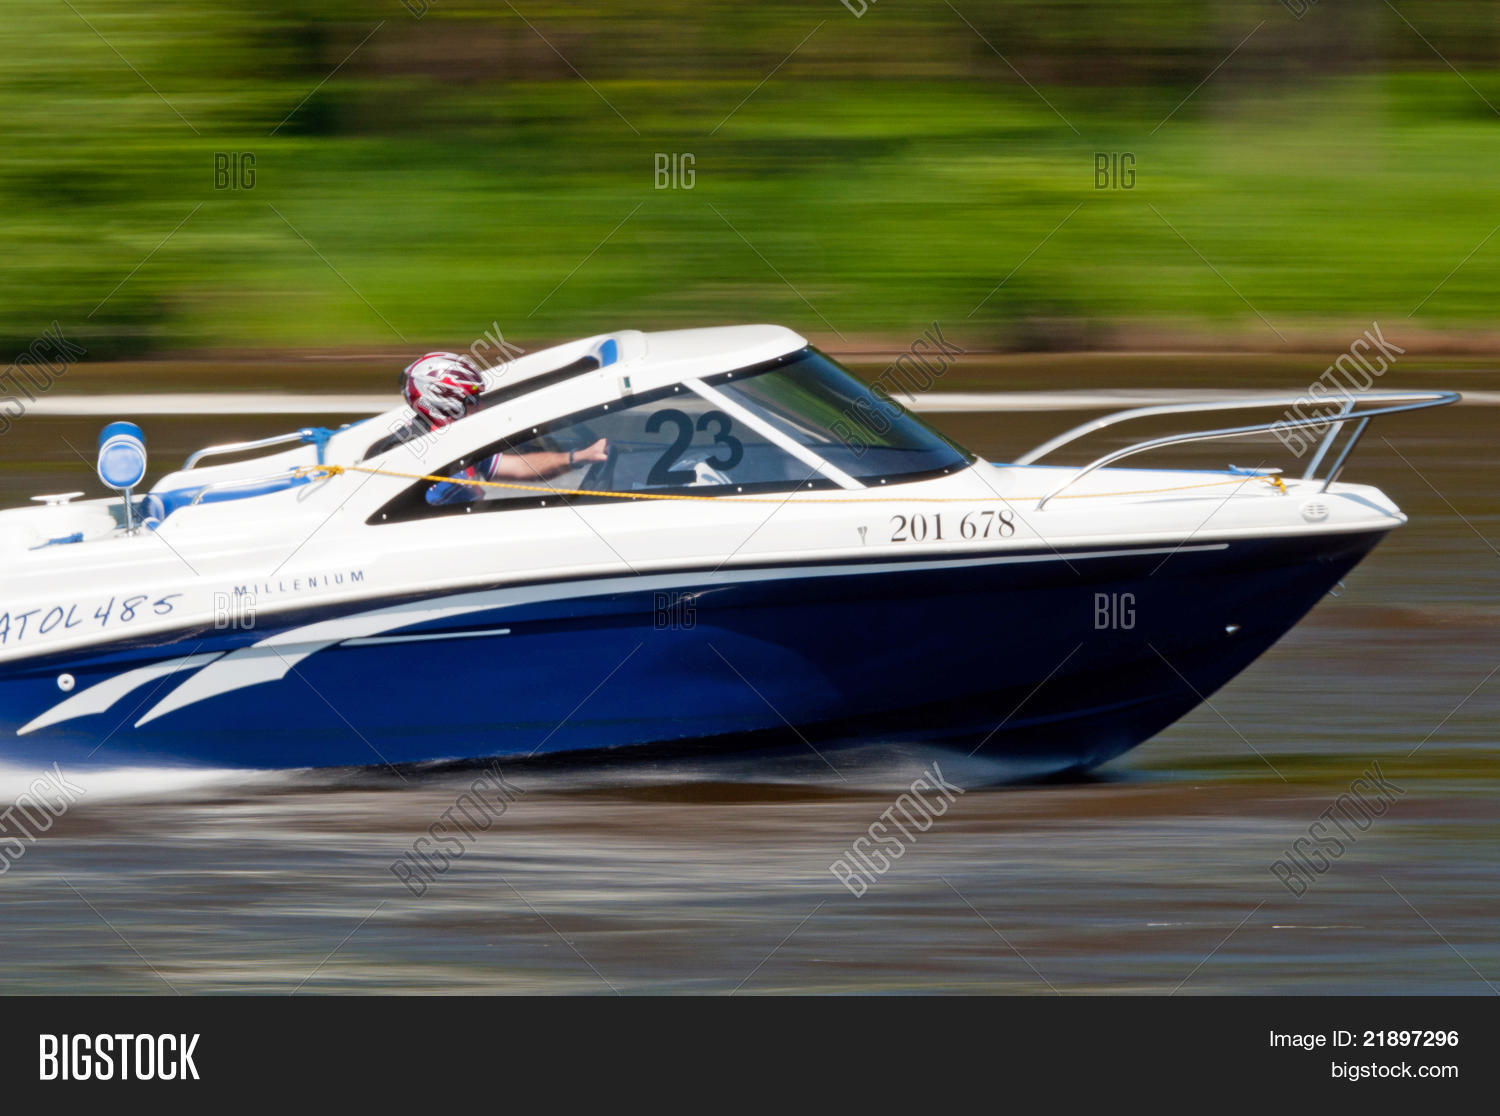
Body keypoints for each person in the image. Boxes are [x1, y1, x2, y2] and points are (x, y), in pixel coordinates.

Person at [396, 352, 609, 504]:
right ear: (444, 403)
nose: (480, 406)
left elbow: (521, 468)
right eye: (472, 399)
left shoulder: (456, 440)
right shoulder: (422, 457)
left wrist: (579, 457)